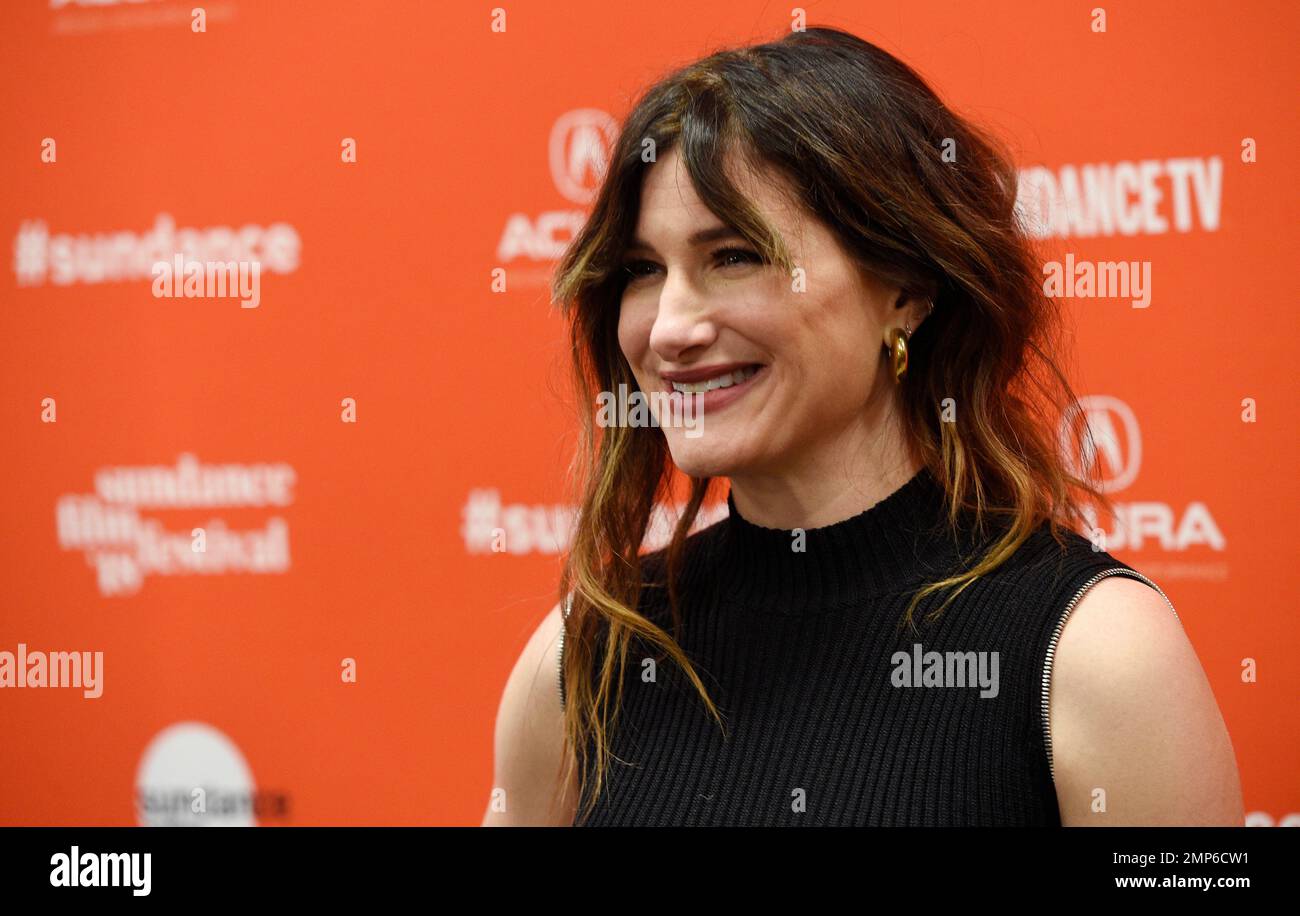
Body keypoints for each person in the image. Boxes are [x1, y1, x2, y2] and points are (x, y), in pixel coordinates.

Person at [482, 26, 1242, 827]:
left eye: (735, 255)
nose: (670, 326)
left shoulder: (1096, 654)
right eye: (643, 270)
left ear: (906, 287)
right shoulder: (587, 654)